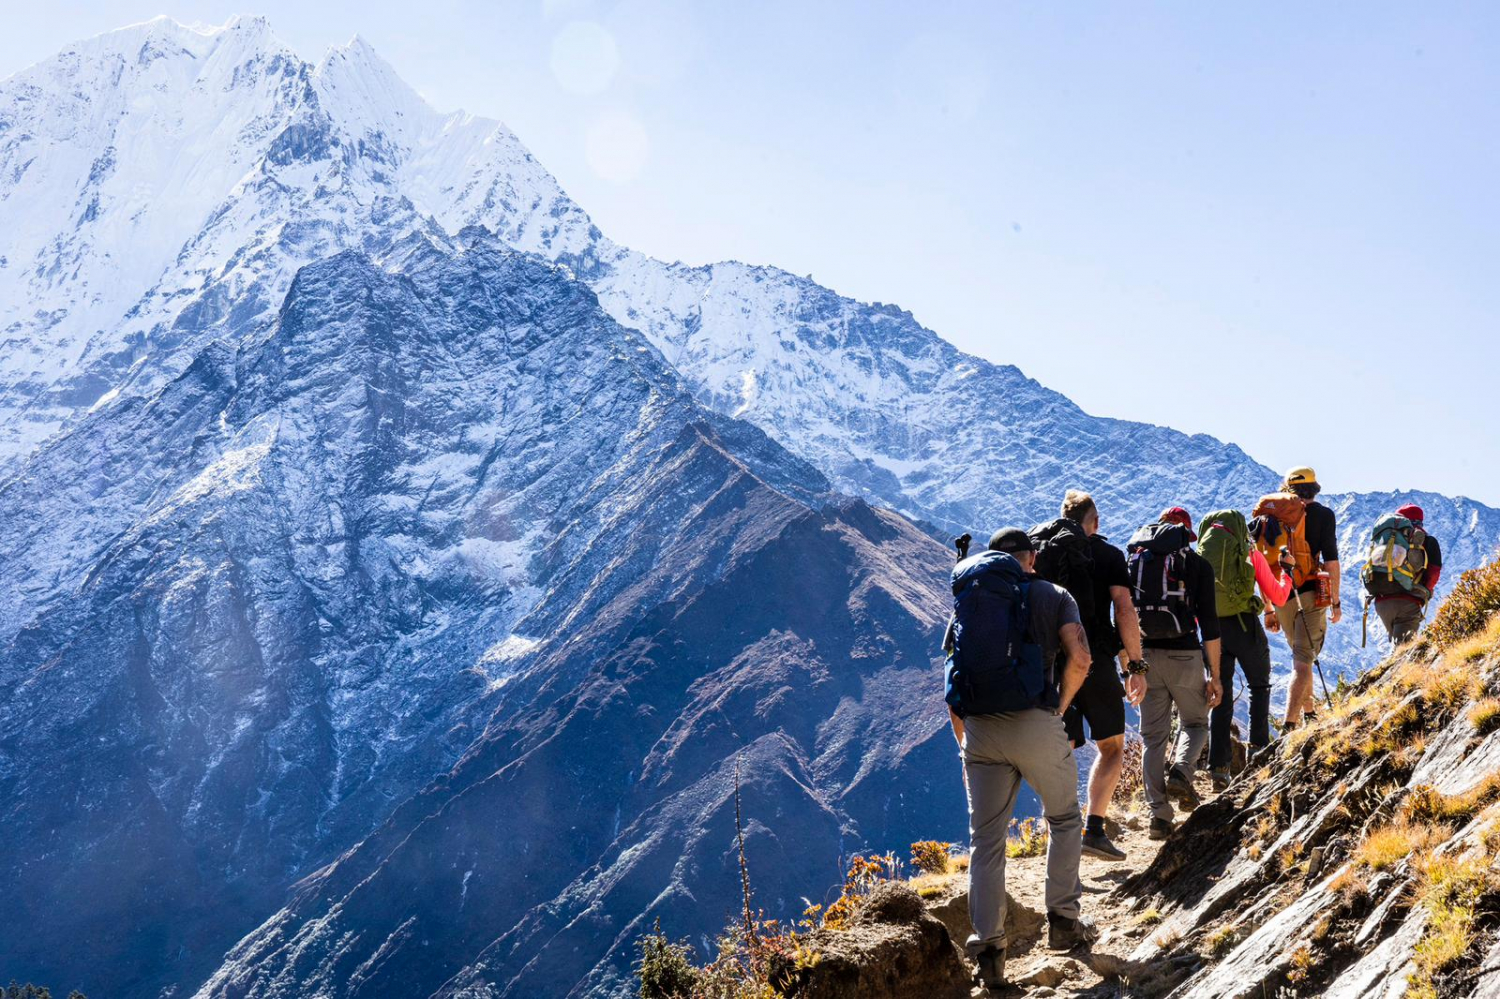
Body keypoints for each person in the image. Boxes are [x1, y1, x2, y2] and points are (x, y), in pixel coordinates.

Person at [943, 527, 1096, 991]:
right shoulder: (1054, 594)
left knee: (985, 843)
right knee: (1065, 819)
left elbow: (953, 679)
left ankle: (988, 955)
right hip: (1036, 719)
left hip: (981, 729)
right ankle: (1064, 924)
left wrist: (965, 742)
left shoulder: (970, 598)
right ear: (1032, 557)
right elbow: (1082, 657)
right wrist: (1059, 708)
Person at [1039, 490, 1146, 862]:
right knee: (1112, 746)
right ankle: (1095, 830)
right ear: (1095, 521)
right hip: (1096, 659)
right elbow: (1125, 609)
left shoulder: (1043, 551)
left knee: (1060, 750)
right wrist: (1135, 665)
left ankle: (1058, 835)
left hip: (1053, 664)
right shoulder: (1108, 555)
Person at [1128, 507, 1223, 841]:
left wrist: (1131, 666)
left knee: (1153, 739)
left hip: (1146, 657)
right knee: (1196, 723)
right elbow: (1210, 625)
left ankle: (1159, 818)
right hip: (1185, 654)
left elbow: (1124, 617)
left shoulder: (1136, 563)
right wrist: (1216, 675)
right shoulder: (1196, 565)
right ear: (1186, 533)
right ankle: (1182, 771)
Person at [1199, 509, 1293, 790]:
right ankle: (1259, 753)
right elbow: (1278, 595)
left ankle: (1218, 768)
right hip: (1244, 626)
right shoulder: (1249, 552)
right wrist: (1287, 571)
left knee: (1220, 692)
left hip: (1212, 631)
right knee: (1259, 687)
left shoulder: (1202, 557)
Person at [1256, 467, 1341, 729]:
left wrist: (1268, 608)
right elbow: (1332, 561)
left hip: (1281, 594)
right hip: (1311, 592)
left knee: (1300, 655)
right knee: (1303, 660)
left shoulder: (1271, 515)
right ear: (1315, 488)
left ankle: (1310, 713)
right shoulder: (1323, 515)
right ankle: (1289, 725)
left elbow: (1262, 563)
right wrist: (1335, 601)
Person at [1367, 503, 1443, 644]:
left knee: (1399, 645)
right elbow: (1434, 573)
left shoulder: (1385, 540)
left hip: (1381, 601)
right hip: (1408, 601)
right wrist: (1425, 591)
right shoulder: (1428, 541)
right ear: (1420, 520)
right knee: (1404, 650)